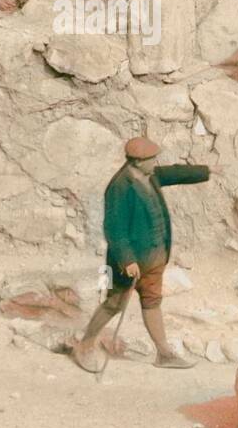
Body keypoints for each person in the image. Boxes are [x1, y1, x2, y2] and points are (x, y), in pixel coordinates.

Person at [71, 136, 210, 371]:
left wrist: (206, 171)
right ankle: (84, 346)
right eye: (151, 159)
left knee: (152, 302)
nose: (155, 162)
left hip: (154, 257)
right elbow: (114, 229)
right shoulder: (119, 188)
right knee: (113, 304)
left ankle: (164, 354)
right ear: (137, 161)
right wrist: (127, 260)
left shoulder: (150, 174)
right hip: (127, 263)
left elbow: (174, 173)